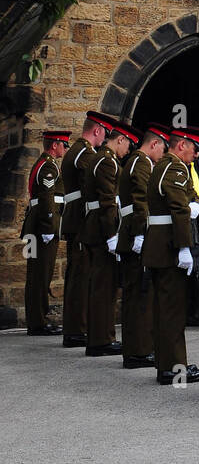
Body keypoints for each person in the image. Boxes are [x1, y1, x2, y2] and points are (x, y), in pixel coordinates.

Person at [143, 126, 199, 386]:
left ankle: (165, 363)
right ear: (182, 145)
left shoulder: (163, 166)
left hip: (158, 244)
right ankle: (174, 368)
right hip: (169, 245)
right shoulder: (175, 168)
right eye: (194, 148)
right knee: (172, 309)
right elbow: (180, 210)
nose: (196, 154)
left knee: (163, 308)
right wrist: (184, 247)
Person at [117, 122, 168, 368]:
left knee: (136, 293)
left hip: (131, 232)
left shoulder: (138, 162)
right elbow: (141, 202)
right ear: (155, 143)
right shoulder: (142, 163)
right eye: (163, 147)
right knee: (139, 294)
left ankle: (136, 348)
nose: (164, 154)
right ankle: (138, 351)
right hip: (135, 233)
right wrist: (140, 233)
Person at [80, 117, 132, 356]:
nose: (127, 150)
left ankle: (101, 336)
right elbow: (107, 202)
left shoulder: (102, 159)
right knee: (104, 286)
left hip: (95, 228)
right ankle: (101, 340)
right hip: (101, 231)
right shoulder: (107, 162)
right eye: (127, 144)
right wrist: (112, 235)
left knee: (102, 284)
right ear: (120, 139)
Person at [59, 111, 110, 346]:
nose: (104, 140)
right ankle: (76, 330)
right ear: (97, 130)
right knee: (81, 275)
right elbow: (96, 180)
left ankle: (75, 328)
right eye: (104, 134)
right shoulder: (85, 153)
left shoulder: (78, 150)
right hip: (80, 219)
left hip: (76, 218)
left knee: (78, 274)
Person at [21, 130, 69, 335]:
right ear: (55, 144)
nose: (65, 149)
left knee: (36, 274)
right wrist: (50, 227)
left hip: (36, 226)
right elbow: (48, 198)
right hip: (43, 228)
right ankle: (38, 322)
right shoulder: (48, 166)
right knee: (41, 274)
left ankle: (36, 320)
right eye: (64, 145)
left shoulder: (44, 163)